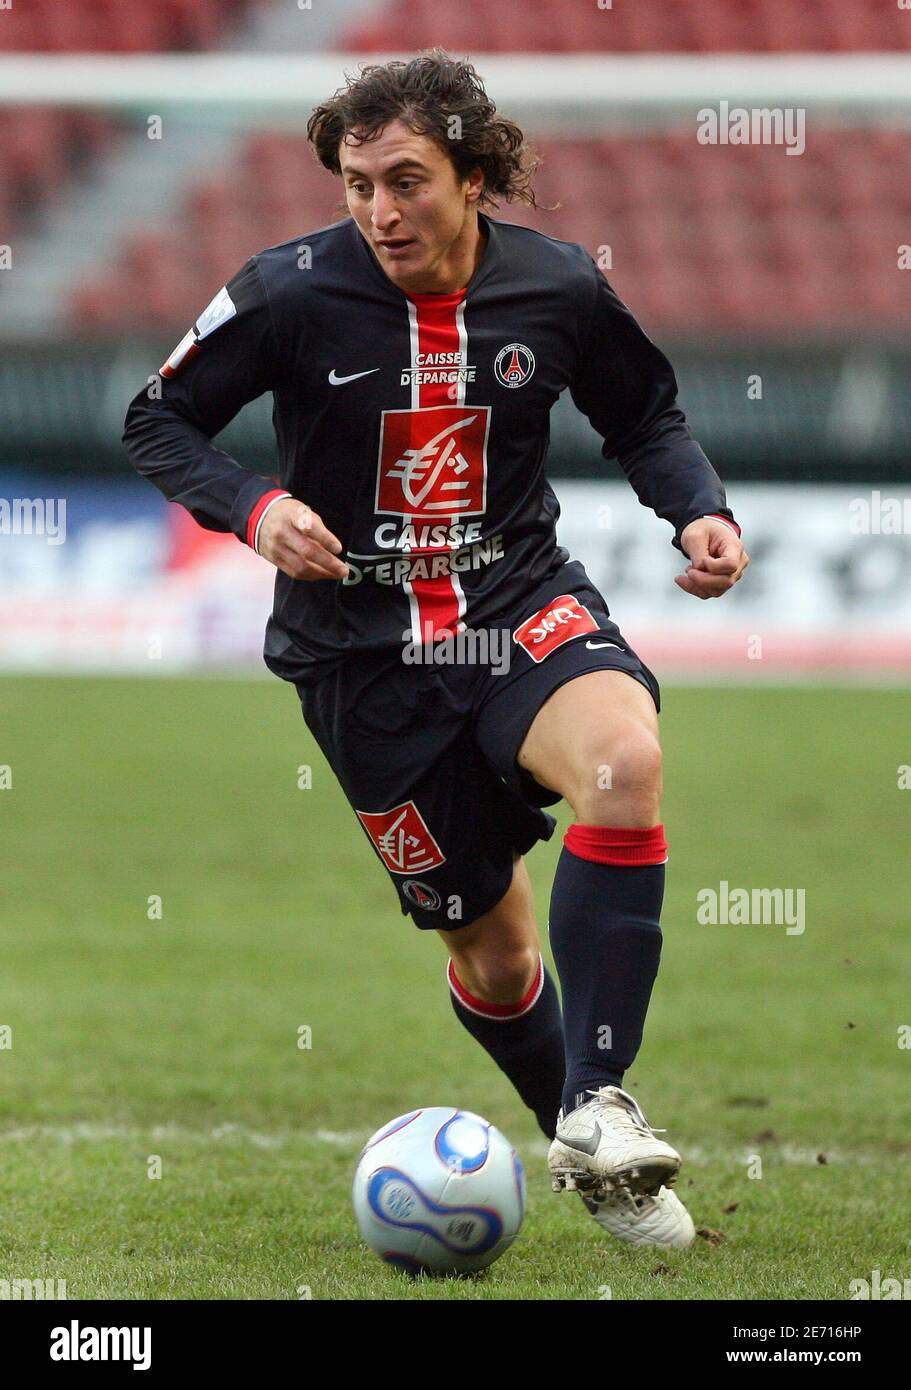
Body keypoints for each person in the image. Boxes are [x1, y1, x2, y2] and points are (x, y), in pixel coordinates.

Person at [123, 49, 748, 1250]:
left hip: (515, 601)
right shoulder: (288, 292)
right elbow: (157, 418)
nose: (378, 210)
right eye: (357, 183)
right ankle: (581, 1130)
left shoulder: (558, 289)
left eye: (406, 180)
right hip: (360, 660)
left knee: (622, 762)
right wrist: (253, 508)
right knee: (499, 958)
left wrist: (697, 510)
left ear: (473, 176)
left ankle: (599, 1108)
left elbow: (643, 415)